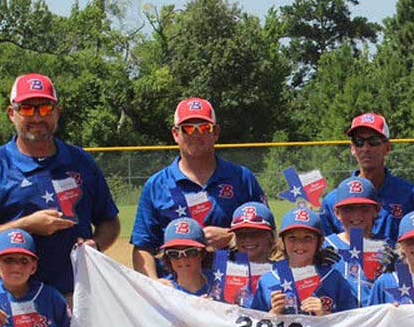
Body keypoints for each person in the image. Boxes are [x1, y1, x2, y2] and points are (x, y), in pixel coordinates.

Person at [0, 73, 120, 298]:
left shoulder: (81, 161)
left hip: (77, 297)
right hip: (11, 303)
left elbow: (109, 221)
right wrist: (26, 226)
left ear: (57, 113)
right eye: (26, 108)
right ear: (12, 113)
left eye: (45, 108)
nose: (37, 116)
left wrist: (96, 244)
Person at [131, 97, 265, 279]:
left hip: (234, 288)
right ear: (175, 134)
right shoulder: (156, 185)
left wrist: (232, 238)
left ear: (215, 132)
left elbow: (268, 235)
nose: (195, 134)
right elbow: (142, 247)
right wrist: (156, 286)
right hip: (177, 295)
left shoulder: (241, 178)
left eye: (204, 127)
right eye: (187, 128)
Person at [319, 112, 414, 243]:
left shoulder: (412, 195)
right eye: (359, 142)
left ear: (387, 147)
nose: (366, 148)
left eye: (373, 141)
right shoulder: (332, 201)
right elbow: (325, 250)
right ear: (352, 148)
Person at [248, 208, 359, 315]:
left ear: (319, 242)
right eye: (292, 238)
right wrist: (273, 313)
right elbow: (254, 325)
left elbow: (351, 322)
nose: (300, 244)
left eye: (307, 238)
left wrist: (324, 315)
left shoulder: (333, 278)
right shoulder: (268, 280)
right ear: (282, 242)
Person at [323, 176, 391, 302]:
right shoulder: (323, 247)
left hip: (377, 320)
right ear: (336, 213)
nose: (356, 215)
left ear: (376, 210)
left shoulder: (388, 249)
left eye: (364, 208)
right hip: (338, 320)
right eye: (348, 209)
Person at [158, 218, 214, 297]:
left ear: (202, 253)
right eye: (174, 253)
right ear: (167, 258)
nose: (182, 259)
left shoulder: (219, 285)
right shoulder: (163, 291)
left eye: (190, 252)